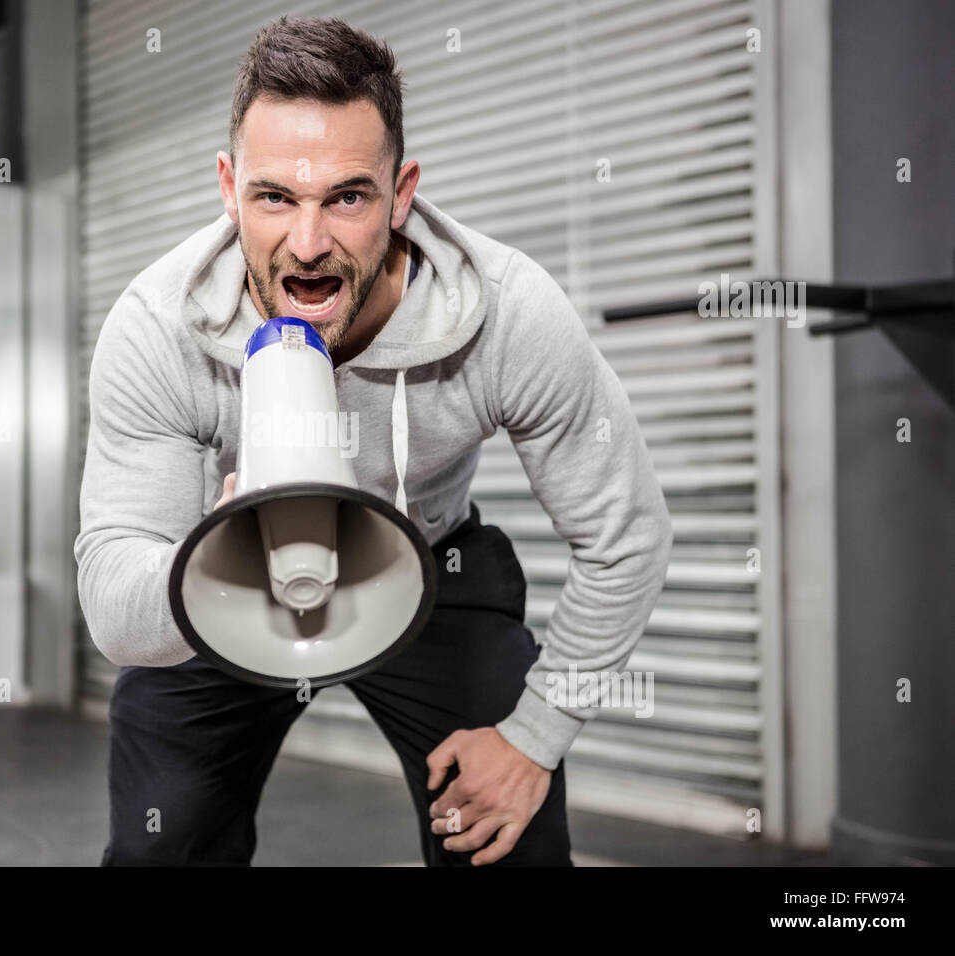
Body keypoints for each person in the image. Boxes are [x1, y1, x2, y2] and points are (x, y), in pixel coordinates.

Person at [75, 14, 673, 866]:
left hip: (426, 563)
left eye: (348, 197)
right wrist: (206, 555)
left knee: (509, 843)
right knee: (160, 844)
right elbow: (112, 596)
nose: (309, 244)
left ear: (401, 194)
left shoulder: (505, 311)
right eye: (274, 196)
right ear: (227, 187)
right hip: (227, 576)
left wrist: (536, 738)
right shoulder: (158, 329)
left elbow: (628, 537)